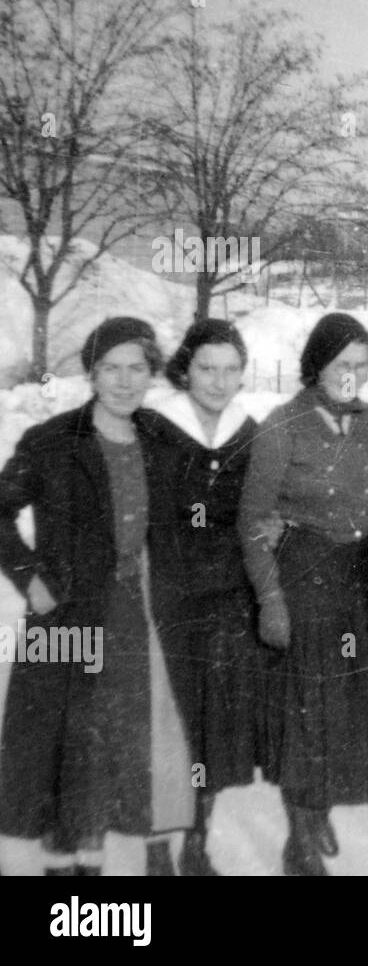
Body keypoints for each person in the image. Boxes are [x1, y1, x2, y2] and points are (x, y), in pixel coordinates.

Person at [0, 317, 193, 876]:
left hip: (138, 614)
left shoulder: (160, 437)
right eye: (111, 368)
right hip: (67, 617)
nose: (124, 381)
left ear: (153, 373)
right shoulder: (52, 440)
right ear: (91, 372)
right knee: (65, 745)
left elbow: (202, 502)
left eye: (138, 368)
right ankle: (70, 875)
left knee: (126, 742)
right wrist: (31, 582)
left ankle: (102, 857)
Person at [238, 313, 368, 876]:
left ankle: (317, 807)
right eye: (341, 364)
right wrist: (271, 598)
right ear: (317, 364)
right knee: (305, 711)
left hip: (353, 579)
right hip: (302, 577)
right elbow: (254, 520)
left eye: (362, 365)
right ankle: (298, 840)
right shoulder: (283, 424)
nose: (352, 375)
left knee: (342, 709)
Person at [152, 320, 276, 876]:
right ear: (185, 368)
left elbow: (266, 506)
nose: (219, 381)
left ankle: (197, 842)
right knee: (165, 725)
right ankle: (158, 849)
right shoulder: (153, 426)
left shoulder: (250, 432)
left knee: (215, 727)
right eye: (207, 367)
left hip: (229, 599)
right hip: (165, 598)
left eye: (230, 369)